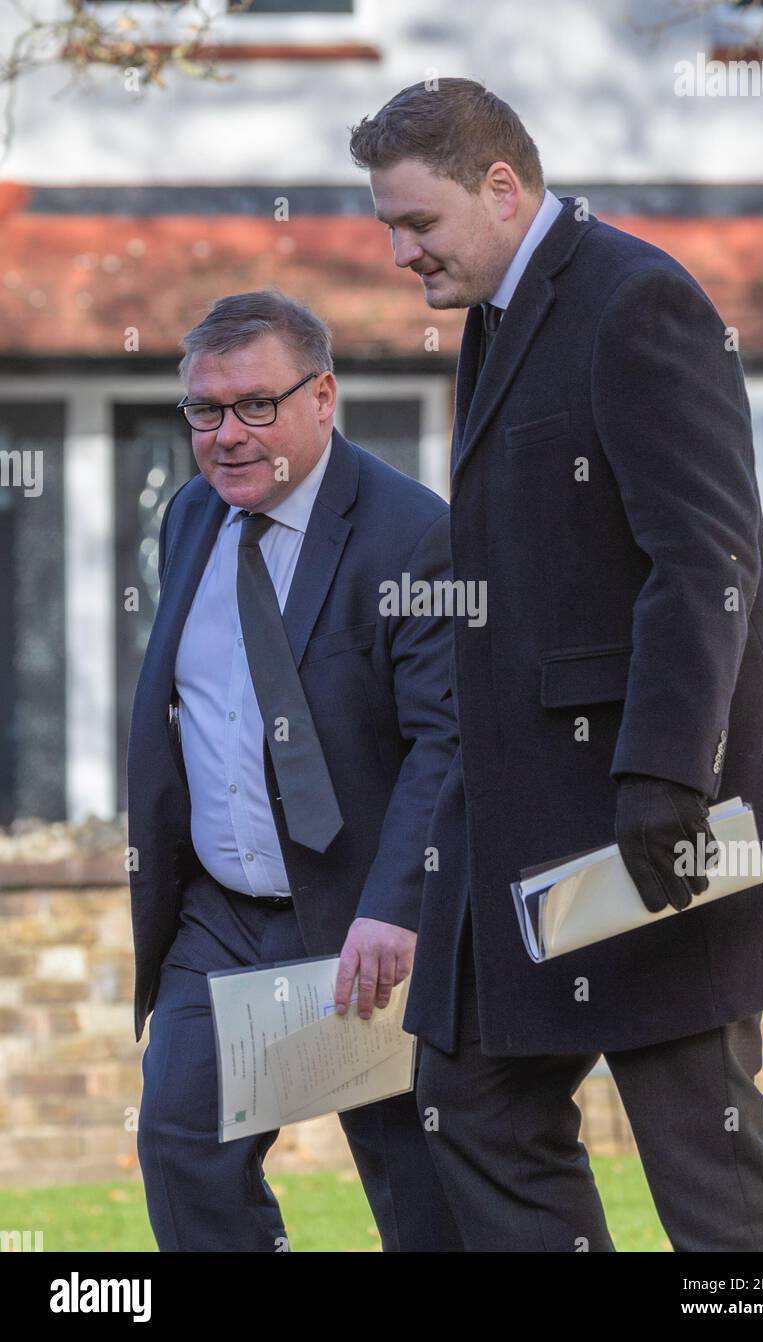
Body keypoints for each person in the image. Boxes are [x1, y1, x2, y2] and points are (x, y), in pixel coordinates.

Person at [349, 78, 763, 1252]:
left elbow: (706, 558)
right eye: (386, 225)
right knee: (468, 1100)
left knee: (705, 1159)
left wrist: (663, 779)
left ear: (500, 186)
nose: (395, 251)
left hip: (652, 828)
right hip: (529, 829)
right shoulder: (500, 312)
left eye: (416, 223)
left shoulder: (636, 301)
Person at [128, 289, 463, 1252]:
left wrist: (397, 904)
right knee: (182, 1144)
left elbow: (446, 741)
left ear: (323, 397)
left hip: (363, 914)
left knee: (416, 1180)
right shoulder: (191, 517)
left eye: (256, 405)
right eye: (205, 409)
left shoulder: (411, 535)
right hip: (221, 917)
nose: (227, 434)